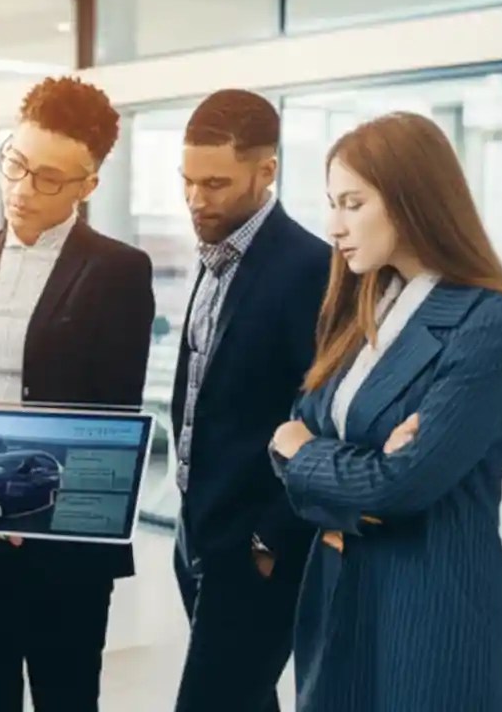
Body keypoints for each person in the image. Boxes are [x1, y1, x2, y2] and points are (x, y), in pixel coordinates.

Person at [269, 111, 502, 712]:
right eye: (331, 203)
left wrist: (312, 457)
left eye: (352, 203)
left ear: (410, 199)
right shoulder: (364, 302)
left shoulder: (490, 321)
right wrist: (352, 471)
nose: (333, 225)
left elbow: (401, 486)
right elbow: (293, 439)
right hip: (338, 587)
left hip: (429, 603)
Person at [0, 76, 155, 712]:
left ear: (87, 186)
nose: (20, 188)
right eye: (15, 164)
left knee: (66, 699)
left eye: (47, 177)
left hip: (64, 546)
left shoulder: (119, 271)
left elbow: (112, 415)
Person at [169, 90, 330, 712]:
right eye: (186, 181)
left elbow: (320, 414)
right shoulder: (215, 257)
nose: (195, 199)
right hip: (199, 533)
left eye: (215, 183)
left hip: (256, 547)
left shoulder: (310, 267)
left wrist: (271, 539)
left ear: (267, 172)